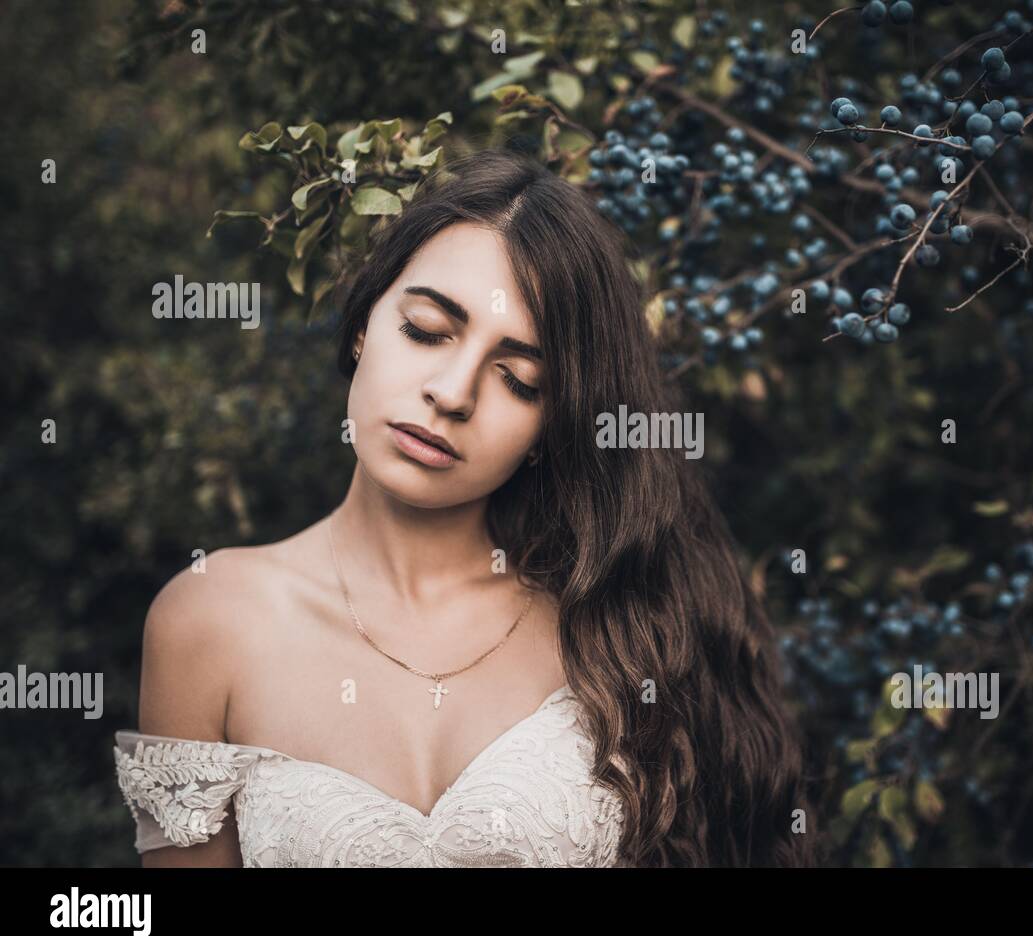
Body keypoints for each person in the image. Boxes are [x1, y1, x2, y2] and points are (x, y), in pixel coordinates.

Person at [113, 147, 817, 867]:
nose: (452, 393)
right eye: (425, 330)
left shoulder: (622, 623)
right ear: (363, 327)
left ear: (552, 425)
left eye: (517, 379)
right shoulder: (208, 619)